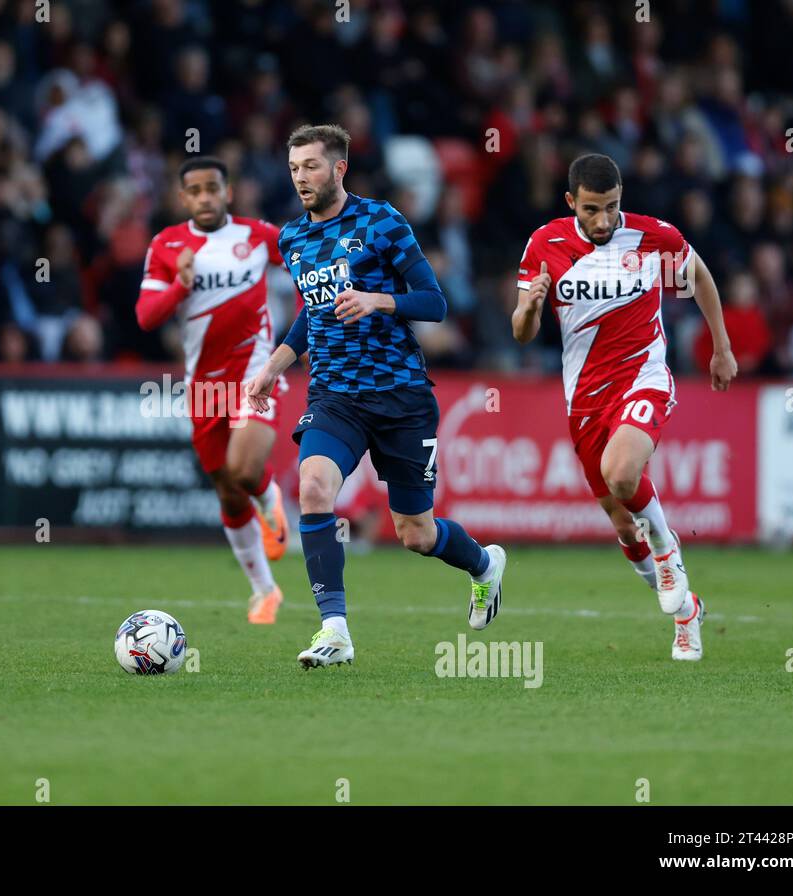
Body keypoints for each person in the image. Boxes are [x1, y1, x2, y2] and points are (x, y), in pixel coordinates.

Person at [244, 125, 507, 667]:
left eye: (311, 166)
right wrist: (276, 363)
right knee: (315, 488)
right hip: (336, 396)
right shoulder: (293, 239)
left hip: (401, 395)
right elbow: (310, 316)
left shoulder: (382, 221)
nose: (301, 178)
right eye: (294, 168)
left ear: (339, 169)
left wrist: (378, 300)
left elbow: (434, 302)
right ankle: (334, 630)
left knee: (415, 533)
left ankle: (483, 564)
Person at [511, 152, 738, 661]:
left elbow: (699, 276)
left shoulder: (653, 237)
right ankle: (687, 614)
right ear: (571, 202)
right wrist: (527, 307)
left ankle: (668, 550)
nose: (603, 220)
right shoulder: (544, 244)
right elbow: (522, 334)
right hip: (584, 399)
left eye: (612, 207)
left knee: (621, 473)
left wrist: (721, 347)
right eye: (591, 209)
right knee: (620, 522)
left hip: (644, 378)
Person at [136, 157, 289, 623]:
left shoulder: (259, 235)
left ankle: (272, 500)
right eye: (195, 191)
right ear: (183, 198)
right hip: (202, 387)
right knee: (226, 492)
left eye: (212, 188)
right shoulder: (167, 245)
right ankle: (265, 591)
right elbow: (146, 317)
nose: (205, 197)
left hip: (256, 374)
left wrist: (305, 334)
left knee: (244, 470)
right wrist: (180, 286)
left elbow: (309, 275)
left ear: (228, 192)